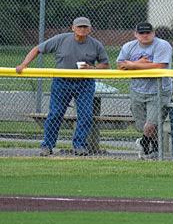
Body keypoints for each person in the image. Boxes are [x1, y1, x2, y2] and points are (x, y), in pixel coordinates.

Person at [15, 16, 110, 156]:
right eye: (79, 26)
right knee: (55, 114)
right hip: (62, 82)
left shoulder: (96, 44)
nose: (82, 29)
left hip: (85, 83)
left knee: (86, 115)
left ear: (90, 29)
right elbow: (37, 49)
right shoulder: (61, 39)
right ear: (73, 28)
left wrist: (93, 68)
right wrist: (24, 64)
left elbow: (105, 64)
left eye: (85, 27)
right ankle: (47, 145)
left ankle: (79, 145)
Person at [117, 22, 173, 160]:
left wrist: (132, 65)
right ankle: (153, 148)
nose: (145, 35)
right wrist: (141, 63)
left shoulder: (162, 45)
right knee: (142, 126)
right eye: (141, 33)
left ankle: (144, 143)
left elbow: (159, 66)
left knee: (151, 124)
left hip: (158, 90)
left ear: (153, 33)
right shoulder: (128, 46)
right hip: (137, 90)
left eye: (148, 32)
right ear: (136, 34)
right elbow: (120, 65)